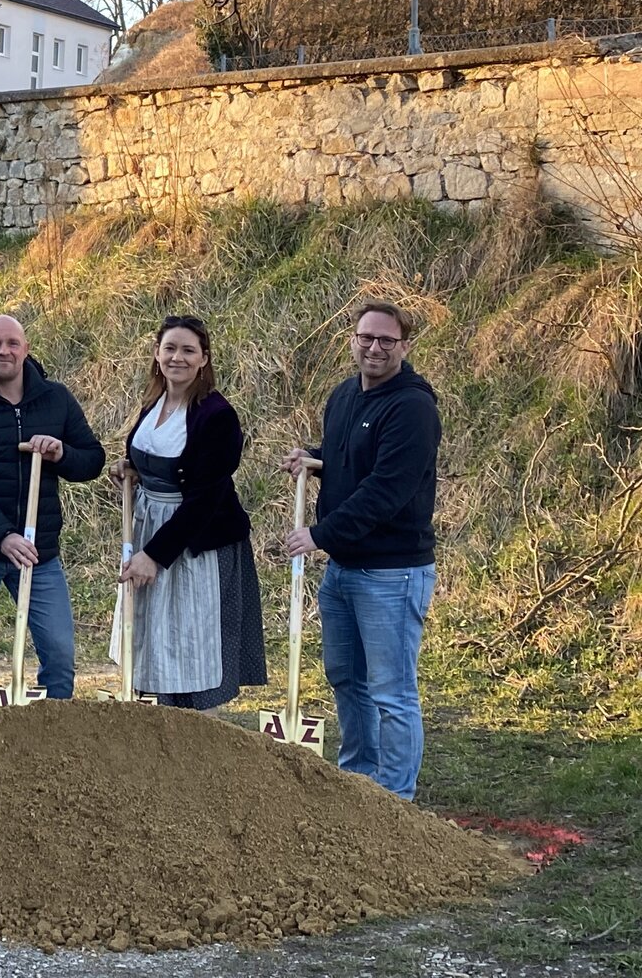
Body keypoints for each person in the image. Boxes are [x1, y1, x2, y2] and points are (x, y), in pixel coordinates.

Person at [281, 300, 441, 800]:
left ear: (404, 347)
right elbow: (351, 458)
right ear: (352, 340)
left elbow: (385, 490)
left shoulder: (413, 408)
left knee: (391, 693)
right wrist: (316, 458)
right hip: (344, 572)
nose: (375, 347)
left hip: (391, 574)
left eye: (386, 341)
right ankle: (359, 782)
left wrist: (320, 534)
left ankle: (396, 799)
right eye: (366, 338)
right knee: (347, 680)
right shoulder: (345, 396)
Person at [0, 315, 104, 707]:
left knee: (60, 656)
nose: (3, 351)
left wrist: (62, 453)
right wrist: (2, 535)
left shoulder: (56, 398)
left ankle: (52, 738)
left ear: (26, 349)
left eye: (12, 343)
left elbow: (92, 460)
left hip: (38, 552)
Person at [113, 315, 266, 709]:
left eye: (187, 350)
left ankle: (198, 734)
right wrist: (130, 468)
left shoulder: (217, 416)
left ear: (204, 359)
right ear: (156, 354)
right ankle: (164, 729)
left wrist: (154, 555)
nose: (176, 357)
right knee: (159, 636)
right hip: (151, 525)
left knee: (191, 638)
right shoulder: (154, 401)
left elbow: (204, 499)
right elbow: (152, 456)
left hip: (196, 543)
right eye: (169, 348)